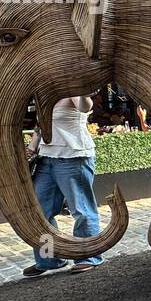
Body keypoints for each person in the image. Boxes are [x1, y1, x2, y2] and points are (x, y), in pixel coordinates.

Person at [23, 95, 105, 277]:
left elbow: (84, 106)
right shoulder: (45, 93)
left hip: (74, 156)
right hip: (46, 158)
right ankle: (49, 259)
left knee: (82, 210)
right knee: (40, 213)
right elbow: (41, 125)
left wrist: (76, 87)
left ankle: (88, 257)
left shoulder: (72, 90)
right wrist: (32, 148)